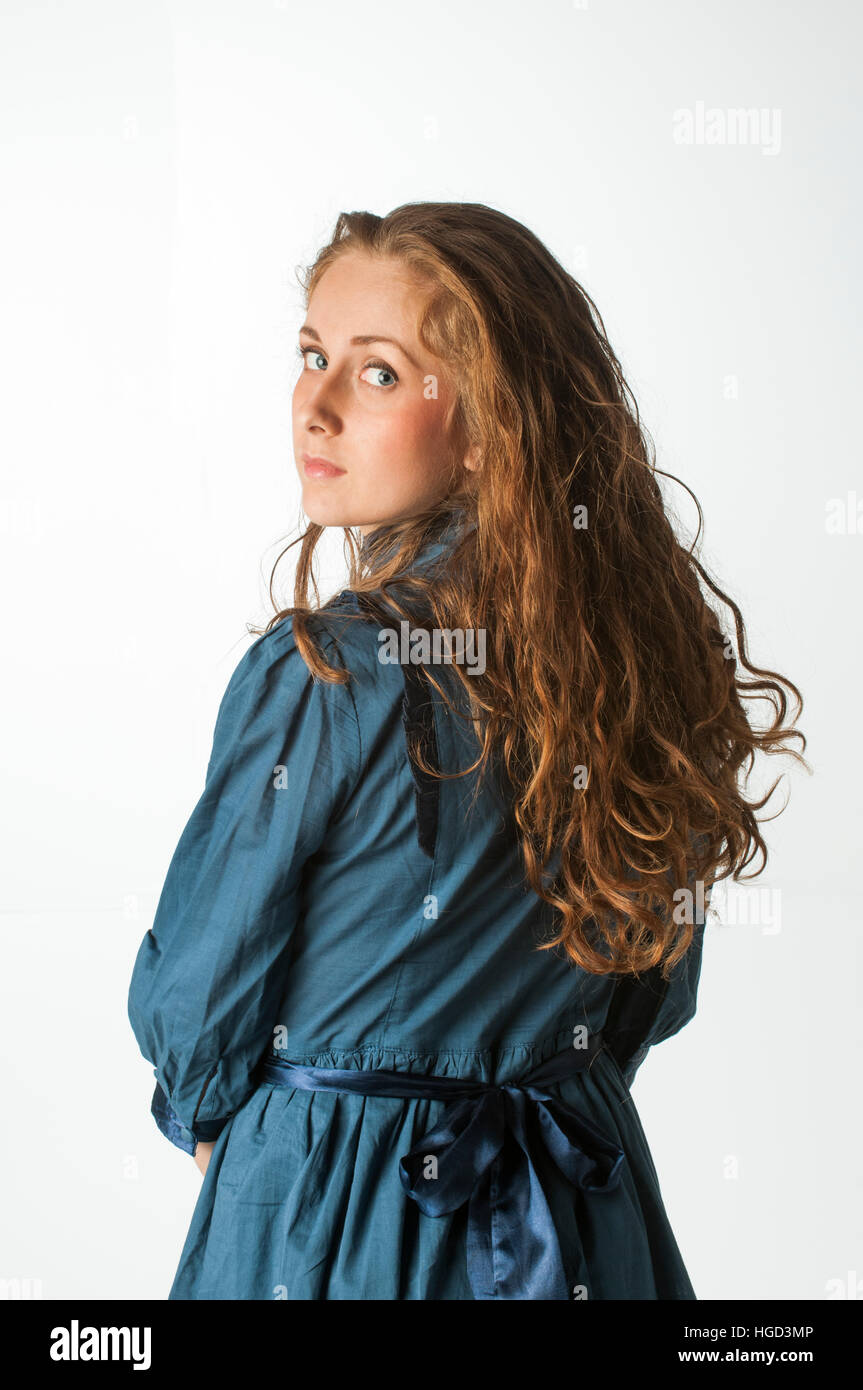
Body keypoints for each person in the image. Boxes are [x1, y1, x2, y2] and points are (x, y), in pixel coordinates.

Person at [127, 202, 807, 1300]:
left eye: (380, 373)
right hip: (582, 1202)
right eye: (313, 355)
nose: (318, 401)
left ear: (490, 423)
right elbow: (649, 987)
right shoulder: (642, 662)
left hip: (343, 1212)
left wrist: (240, 1135)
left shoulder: (327, 672)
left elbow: (205, 989)